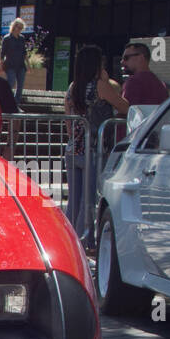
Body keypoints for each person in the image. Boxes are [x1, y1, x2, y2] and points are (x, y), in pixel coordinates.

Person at [63, 44, 124, 249]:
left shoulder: (72, 87)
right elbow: (124, 106)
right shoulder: (100, 85)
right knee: (88, 201)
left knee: (74, 200)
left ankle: (70, 240)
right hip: (93, 149)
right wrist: (107, 81)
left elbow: (68, 123)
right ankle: (84, 242)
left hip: (73, 148)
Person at [119, 40, 168, 106]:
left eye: (126, 58)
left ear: (141, 58)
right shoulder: (161, 84)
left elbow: (126, 110)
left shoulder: (133, 81)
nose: (122, 62)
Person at [0, 18, 28, 104]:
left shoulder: (22, 38)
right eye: (18, 27)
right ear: (14, 27)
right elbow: (2, 54)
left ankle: (16, 104)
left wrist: (29, 65)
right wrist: (0, 66)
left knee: (20, 86)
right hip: (10, 65)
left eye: (21, 28)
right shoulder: (7, 38)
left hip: (21, 65)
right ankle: (6, 100)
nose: (19, 30)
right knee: (11, 83)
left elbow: (24, 52)